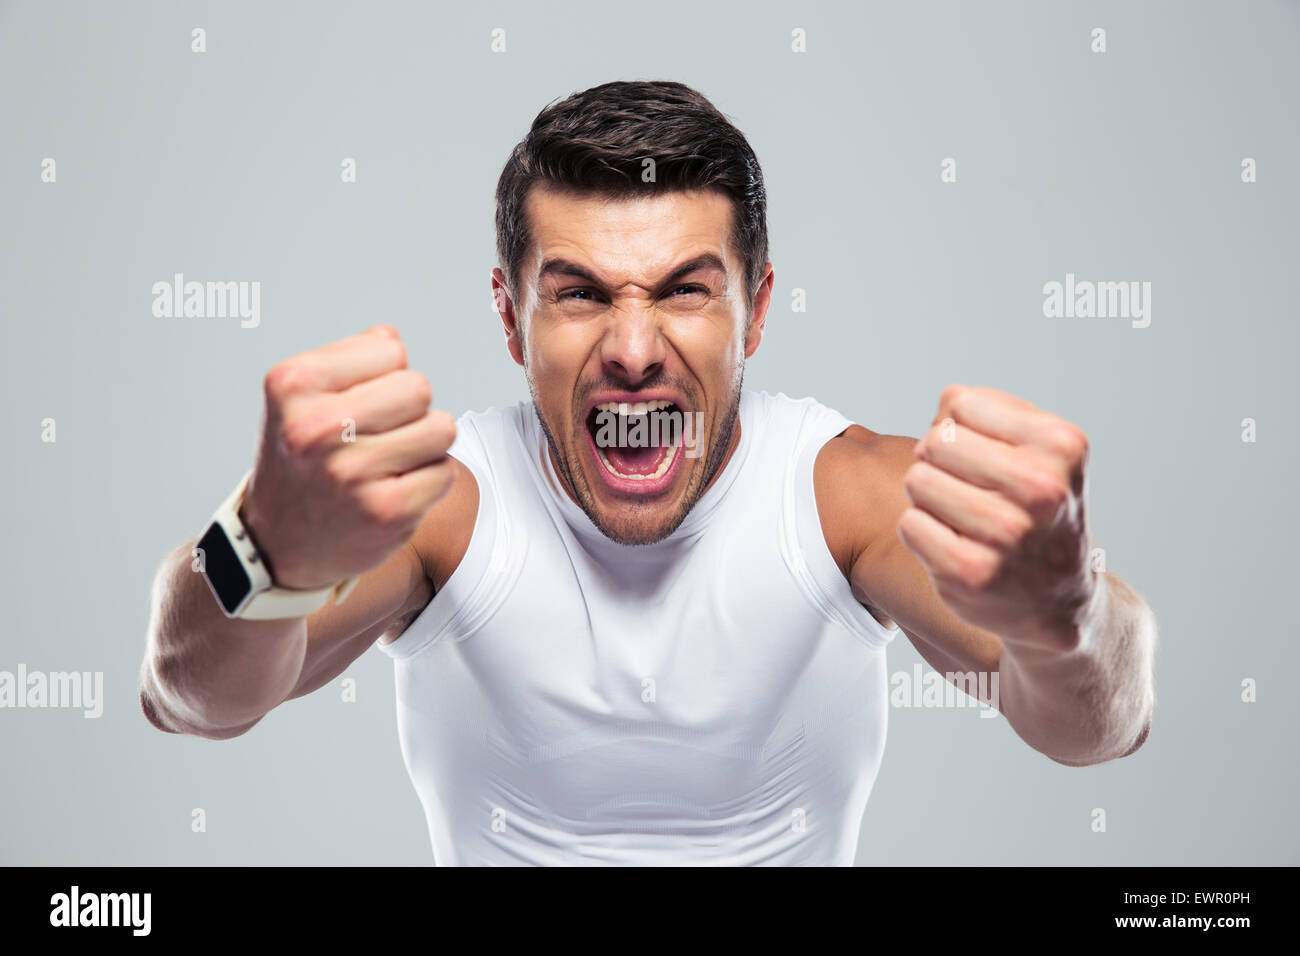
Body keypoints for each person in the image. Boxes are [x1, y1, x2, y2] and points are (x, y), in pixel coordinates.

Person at [138, 80, 1156, 865]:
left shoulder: (842, 499)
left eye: (684, 291)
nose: (632, 348)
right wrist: (258, 548)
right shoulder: (445, 507)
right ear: (510, 317)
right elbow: (188, 698)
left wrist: (1067, 617)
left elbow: (1100, 726)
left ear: (755, 309)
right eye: (578, 293)